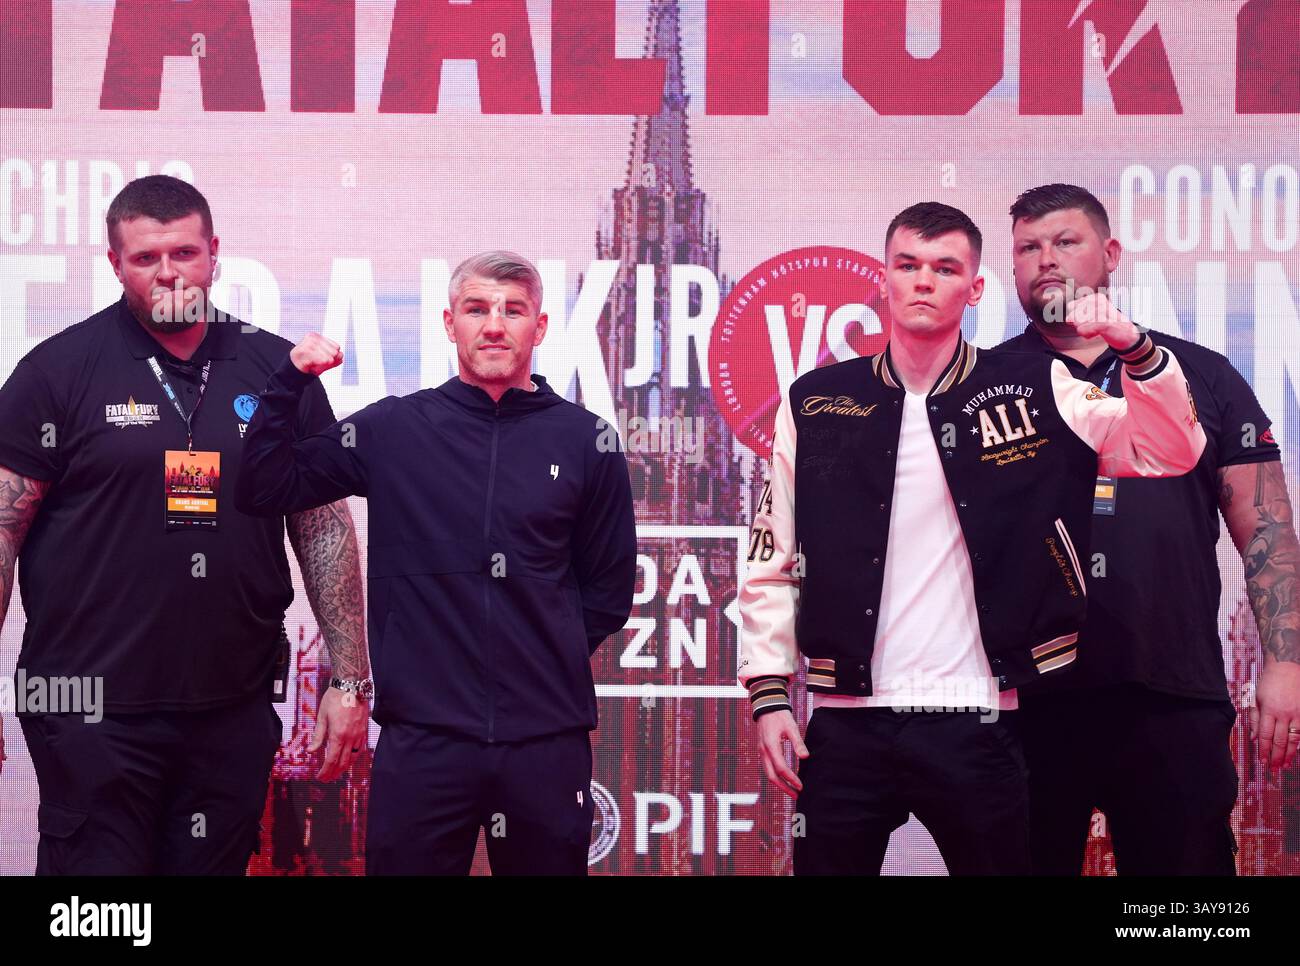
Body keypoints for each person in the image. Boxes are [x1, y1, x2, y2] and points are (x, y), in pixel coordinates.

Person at [738, 201, 1206, 875]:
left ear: (975, 287)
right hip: (846, 721)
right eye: (908, 265)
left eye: (945, 267)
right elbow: (770, 553)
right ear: (885, 278)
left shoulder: (1039, 386)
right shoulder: (816, 400)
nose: (924, 281)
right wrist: (770, 693)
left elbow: (1171, 449)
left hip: (979, 718)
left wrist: (1136, 349)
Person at [0, 175, 369, 874]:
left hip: (230, 709)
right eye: (145, 257)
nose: (168, 271)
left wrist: (350, 681)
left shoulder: (273, 369)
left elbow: (322, 525)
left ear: (214, 253)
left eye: (184, 252)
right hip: (87, 708)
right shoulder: (56, 373)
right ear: (115, 264)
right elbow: (2, 528)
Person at [235, 250, 637, 875]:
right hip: (422, 741)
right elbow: (263, 488)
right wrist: (290, 380)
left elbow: (608, 589)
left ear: (541, 326)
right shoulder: (396, 428)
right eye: (477, 309)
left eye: (514, 310)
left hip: (546, 744)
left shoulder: (588, 441)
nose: (495, 326)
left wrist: (539, 652)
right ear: (450, 324)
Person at [998, 183, 1300, 875]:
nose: (1046, 260)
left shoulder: (1203, 376)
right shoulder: (983, 384)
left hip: (1171, 696)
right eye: (1028, 248)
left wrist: (1284, 662)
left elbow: (1266, 527)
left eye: (1065, 242)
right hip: (1023, 705)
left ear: (1109, 255)